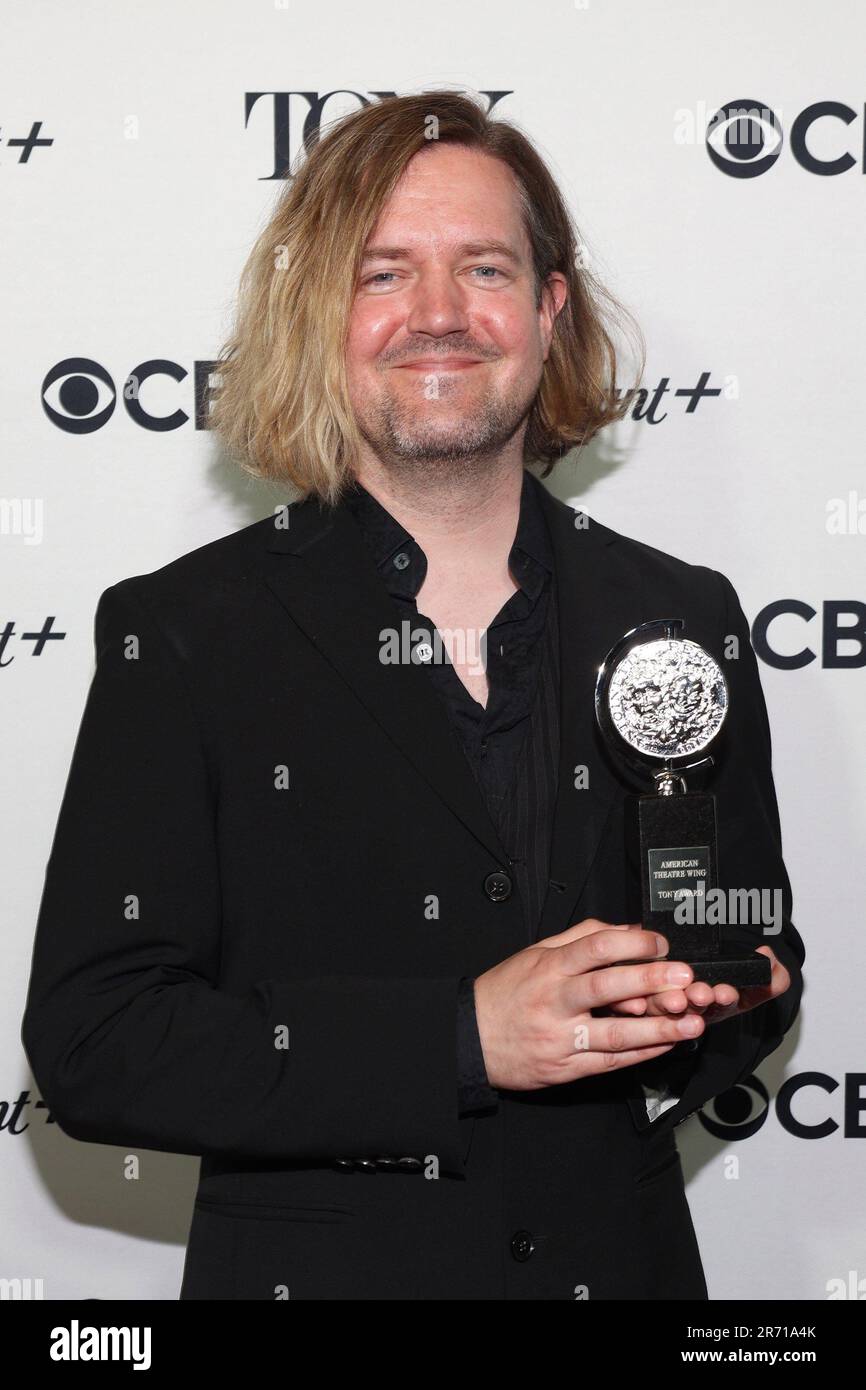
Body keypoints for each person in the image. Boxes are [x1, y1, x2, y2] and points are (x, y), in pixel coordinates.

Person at [21, 90, 803, 1301]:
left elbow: (743, 924)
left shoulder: (681, 615)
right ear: (320, 317)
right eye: (383, 275)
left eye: (482, 268)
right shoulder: (183, 635)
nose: (438, 317)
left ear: (547, 310)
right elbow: (96, 1042)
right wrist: (460, 1039)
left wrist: (716, 995)